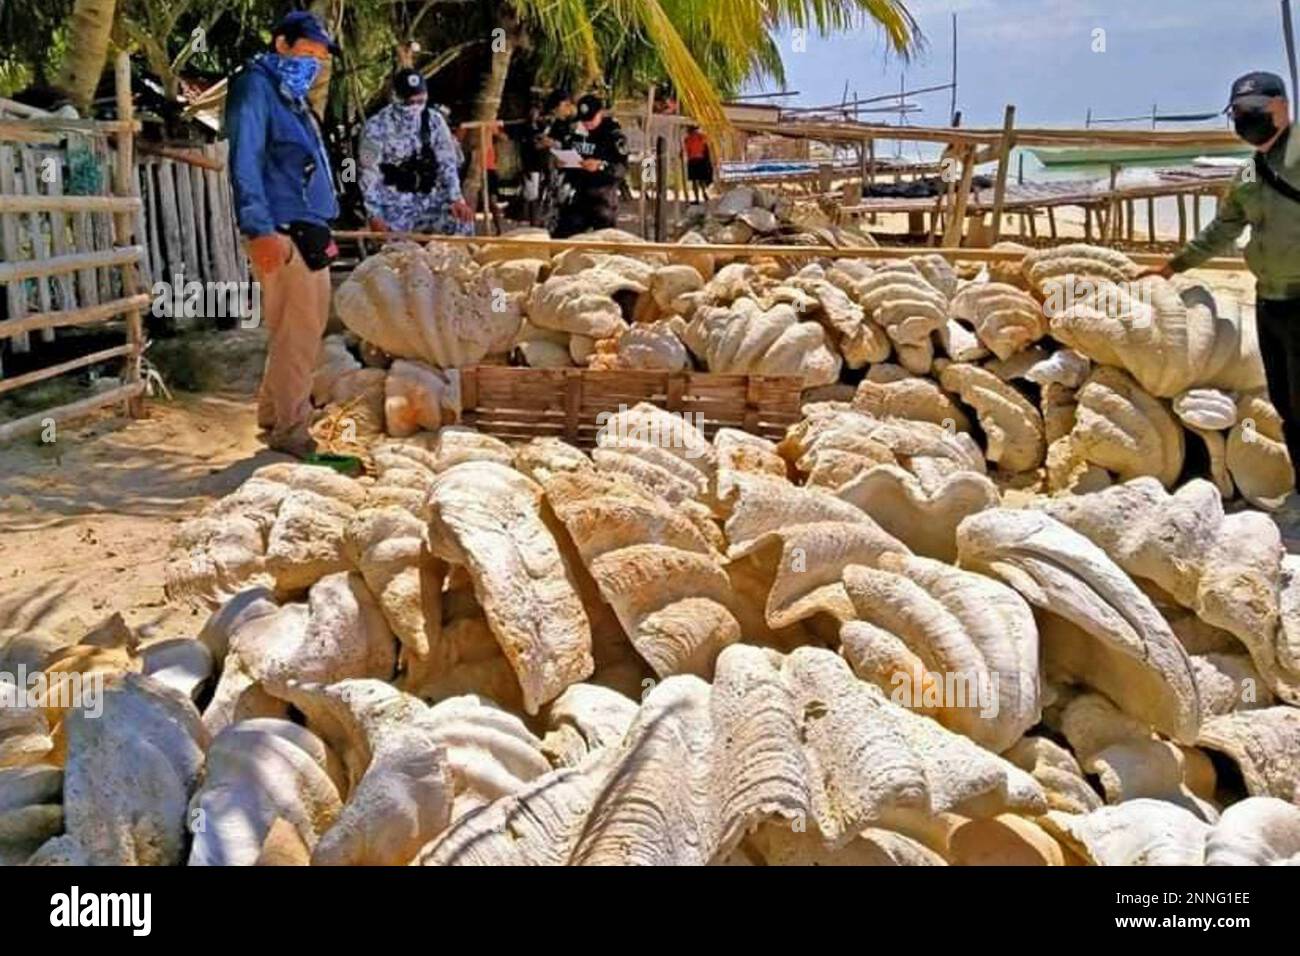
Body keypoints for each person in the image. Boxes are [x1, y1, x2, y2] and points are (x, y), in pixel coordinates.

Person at [1141, 71, 1300, 490]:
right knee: (1285, 404)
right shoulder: (1249, 175)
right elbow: (1223, 229)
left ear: (1281, 109)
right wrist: (1173, 267)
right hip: (1269, 302)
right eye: (1238, 112)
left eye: (1254, 111)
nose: (1245, 120)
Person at [226, 11, 340, 458]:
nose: (313, 62)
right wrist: (258, 228)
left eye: (319, 57)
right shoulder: (254, 86)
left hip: (308, 224)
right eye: (306, 52)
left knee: (298, 329)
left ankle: (273, 413)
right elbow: (245, 160)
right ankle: (293, 430)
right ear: (281, 44)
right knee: (299, 333)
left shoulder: (294, 98)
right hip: (281, 227)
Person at [358, 68, 473, 237]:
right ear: (396, 98)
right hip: (395, 206)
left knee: (463, 224)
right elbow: (369, 172)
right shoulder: (375, 127)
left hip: (433, 200)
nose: (415, 107)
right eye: (409, 102)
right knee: (398, 257)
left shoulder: (434, 121)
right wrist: (374, 214)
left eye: (420, 101)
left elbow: (447, 162)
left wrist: (456, 199)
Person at [553, 94, 629, 238]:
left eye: (591, 119)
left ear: (600, 113)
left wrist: (601, 165)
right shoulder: (575, 132)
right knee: (561, 238)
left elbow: (622, 168)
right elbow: (568, 152)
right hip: (577, 197)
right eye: (584, 120)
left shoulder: (613, 135)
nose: (587, 124)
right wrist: (562, 163)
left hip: (602, 199)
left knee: (603, 242)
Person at [684, 124, 713, 205]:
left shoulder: (688, 139)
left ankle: (697, 198)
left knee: (694, 181)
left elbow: (687, 151)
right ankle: (704, 195)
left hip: (693, 160)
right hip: (701, 160)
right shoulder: (702, 137)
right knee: (701, 180)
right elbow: (706, 147)